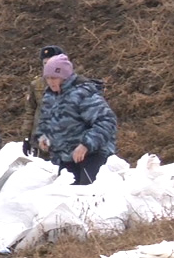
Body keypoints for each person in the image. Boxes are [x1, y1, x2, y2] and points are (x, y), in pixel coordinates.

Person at [35, 53, 118, 185]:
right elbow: (45, 121)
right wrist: (43, 137)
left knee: (89, 198)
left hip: (91, 157)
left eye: (54, 78)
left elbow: (107, 121)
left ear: (64, 77)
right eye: (48, 78)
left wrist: (86, 145)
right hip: (65, 158)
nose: (51, 82)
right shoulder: (49, 96)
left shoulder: (82, 93)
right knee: (67, 201)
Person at [25, 44, 66, 139]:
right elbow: (30, 112)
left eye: (51, 63)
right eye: (45, 63)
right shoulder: (36, 85)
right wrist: (27, 136)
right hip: (42, 138)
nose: (48, 66)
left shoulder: (73, 84)